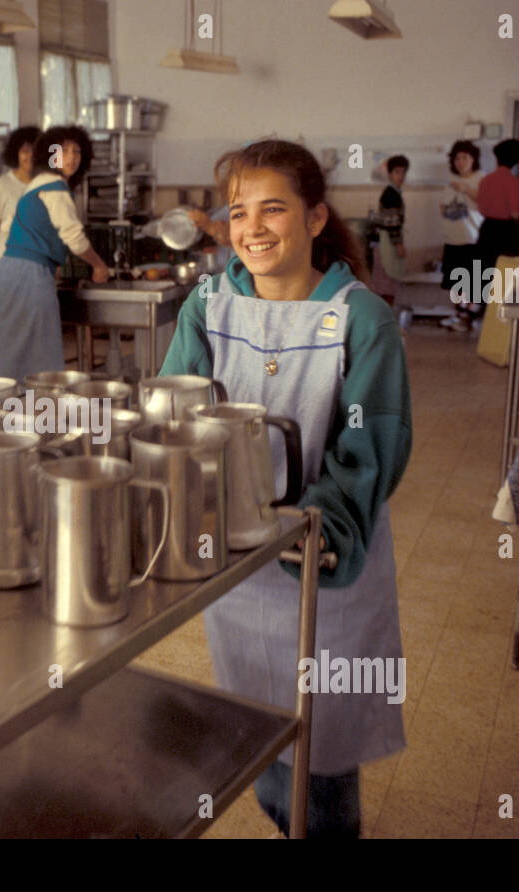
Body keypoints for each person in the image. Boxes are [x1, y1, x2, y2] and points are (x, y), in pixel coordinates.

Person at [158, 140, 412, 838]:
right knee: (260, 713)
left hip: (324, 564)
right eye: (239, 212)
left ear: (316, 218)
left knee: (321, 741)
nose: (254, 227)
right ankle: (284, 820)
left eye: (275, 208)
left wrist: (313, 528)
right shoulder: (208, 305)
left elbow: (369, 453)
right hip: (236, 559)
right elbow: (175, 414)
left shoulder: (361, 321)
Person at [0, 125, 110, 382]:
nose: (72, 157)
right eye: (63, 151)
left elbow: (37, 233)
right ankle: (37, 413)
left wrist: (54, 261)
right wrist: (99, 266)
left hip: (10, 271)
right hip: (27, 275)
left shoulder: (37, 184)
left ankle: (7, 412)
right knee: (38, 353)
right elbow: (74, 237)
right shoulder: (54, 187)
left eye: (77, 151)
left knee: (11, 350)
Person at [0, 125, 41, 279]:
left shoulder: (46, 184)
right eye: (25, 151)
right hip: (8, 266)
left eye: (35, 151)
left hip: (40, 267)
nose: (30, 156)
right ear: (15, 153)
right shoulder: (1, 185)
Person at [439, 140, 485, 332]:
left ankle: (469, 317)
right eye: (457, 158)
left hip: (472, 238)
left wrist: (465, 189)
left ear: (473, 159)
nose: (460, 162)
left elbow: (485, 203)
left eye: (464, 157)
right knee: (455, 283)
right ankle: (458, 314)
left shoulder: (481, 178)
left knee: (472, 282)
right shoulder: (450, 182)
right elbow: (442, 206)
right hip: (452, 238)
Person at [476, 139, 519, 275]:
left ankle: (480, 296)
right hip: (506, 230)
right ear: (516, 161)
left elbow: (481, 209)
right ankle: (499, 296)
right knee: (504, 271)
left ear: (496, 157)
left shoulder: (485, 179)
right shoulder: (513, 181)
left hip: (487, 228)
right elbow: (516, 214)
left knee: (484, 268)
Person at [367, 155, 409, 307]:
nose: (401, 176)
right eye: (397, 172)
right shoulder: (390, 194)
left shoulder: (394, 192)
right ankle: (386, 321)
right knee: (386, 288)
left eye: (404, 172)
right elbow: (392, 223)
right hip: (387, 245)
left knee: (385, 287)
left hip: (385, 243)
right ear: (390, 174)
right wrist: (398, 245)